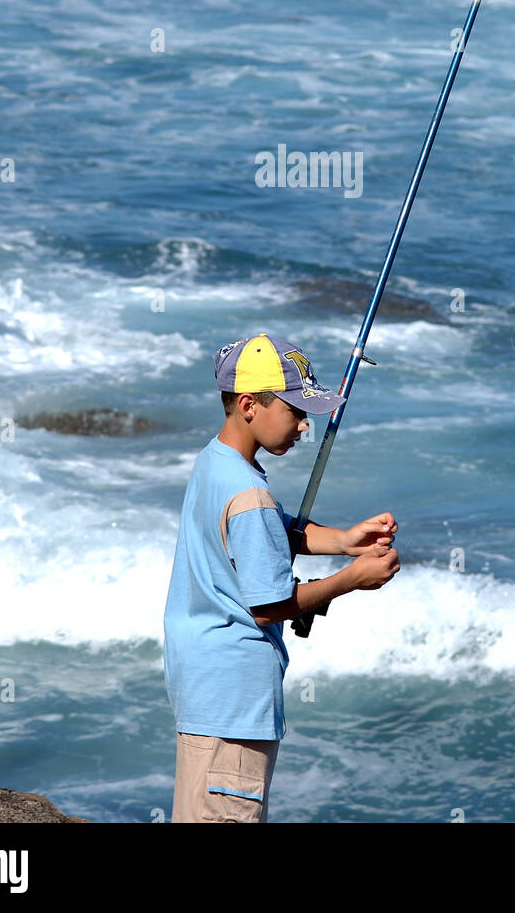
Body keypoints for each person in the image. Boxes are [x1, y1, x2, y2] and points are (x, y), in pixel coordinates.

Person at [162, 332, 399, 823]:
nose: (303, 425)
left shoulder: (217, 463)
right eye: (294, 410)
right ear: (249, 404)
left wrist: (343, 539)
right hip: (235, 705)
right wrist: (351, 577)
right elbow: (269, 606)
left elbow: (268, 532)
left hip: (205, 690)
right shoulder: (251, 494)